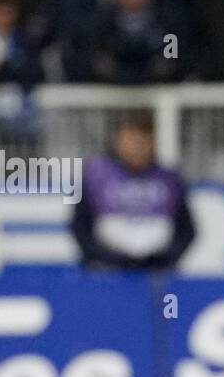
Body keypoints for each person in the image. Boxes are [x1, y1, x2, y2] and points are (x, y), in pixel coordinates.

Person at [71, 111, 195, 270]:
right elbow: (80, 227)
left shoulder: (170, 180)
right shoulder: (93, 175)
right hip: (107, 272)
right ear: (118, 140)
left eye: (143, 141)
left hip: (156, 275)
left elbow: (186, 230)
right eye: (132, 140)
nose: (137, 148)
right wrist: (104, 257)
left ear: (153, 142)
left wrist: (163, 259)